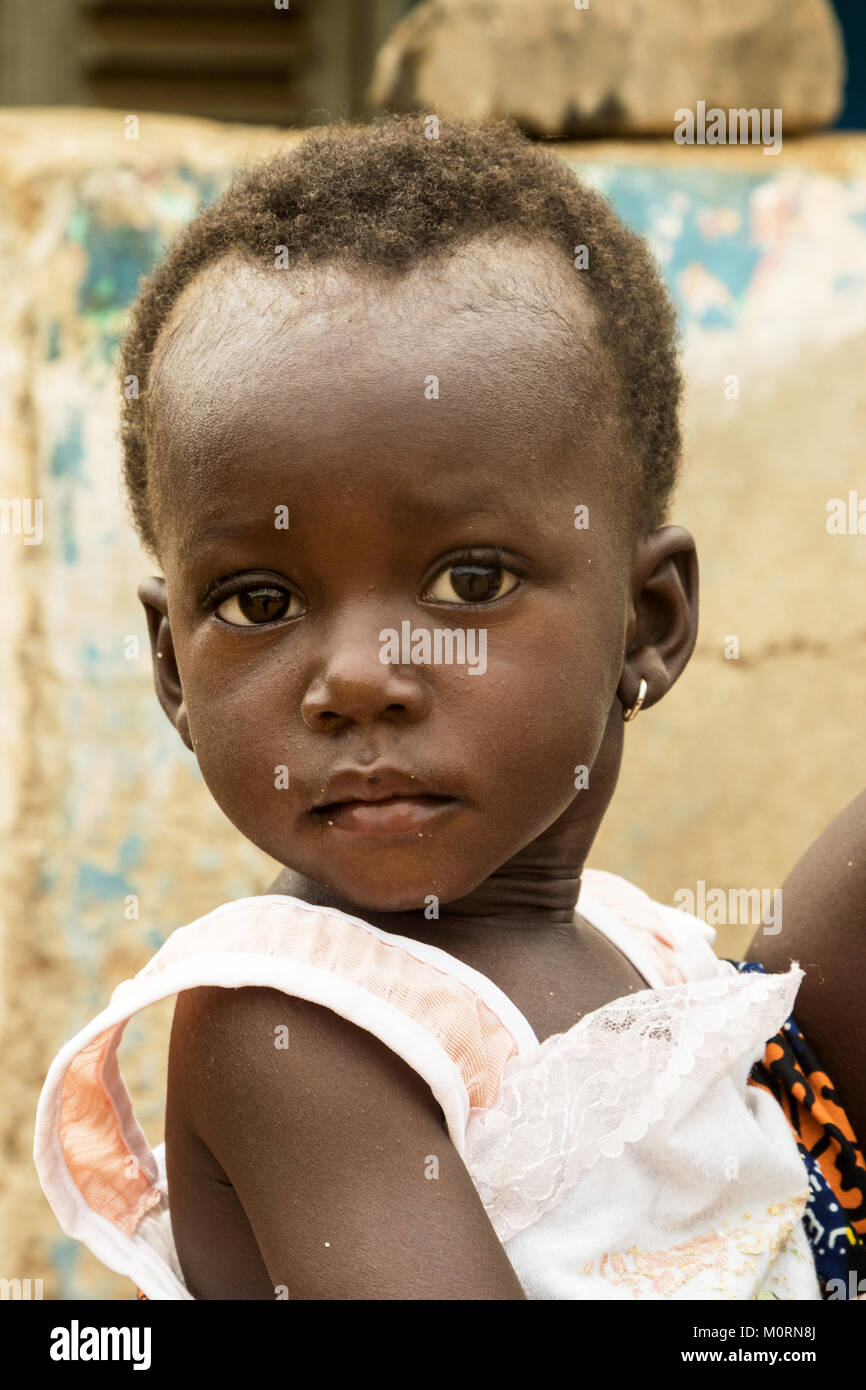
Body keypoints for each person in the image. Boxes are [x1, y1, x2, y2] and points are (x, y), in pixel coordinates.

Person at [33, 115, 865, 1300]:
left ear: (650, 624)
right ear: (174, 666)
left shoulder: (648, 956)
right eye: (259, 598)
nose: (359, 676)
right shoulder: (292, 1030)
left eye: (467, 582)